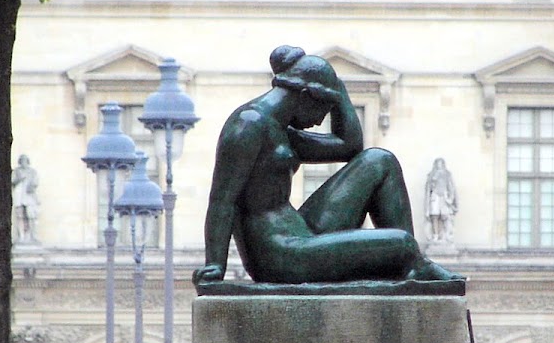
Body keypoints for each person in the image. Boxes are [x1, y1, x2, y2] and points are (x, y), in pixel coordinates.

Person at [193, 45, 462, 284]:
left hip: (301, 232)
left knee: (380, 161)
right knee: (401, 244)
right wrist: (215, 265)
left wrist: (337, 90)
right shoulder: (248, 126)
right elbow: (222, 201)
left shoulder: (281, 131)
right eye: (324, 108)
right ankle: (410, 261)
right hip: (278, 255)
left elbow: (349, 146)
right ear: (307, 95)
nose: (321, 119)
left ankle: (410, 268)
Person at [425, 157, 458, 245]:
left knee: (445, 216)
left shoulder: (447, 174)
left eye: (441, 163)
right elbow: (428, 190)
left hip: (444, 197)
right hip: (435, 197)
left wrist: (450, 199)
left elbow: (451, 187)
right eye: (438, 163)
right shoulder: (431, 175)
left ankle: (445, 236)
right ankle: (435, 235)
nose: (439, 165)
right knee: (434, 216)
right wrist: (427, 209)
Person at [12, 154, 40, 244]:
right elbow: (12, 181)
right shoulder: (16, 171)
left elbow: (35, 182)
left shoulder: (32, 172)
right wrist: (19, 179)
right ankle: (21, 236)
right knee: (20, 215)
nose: (24, 163)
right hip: (19, 195)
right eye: (22, 161)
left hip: (29, 196)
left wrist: (31, 186)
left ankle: (32, 235)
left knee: (31, 216)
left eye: (25, 161)